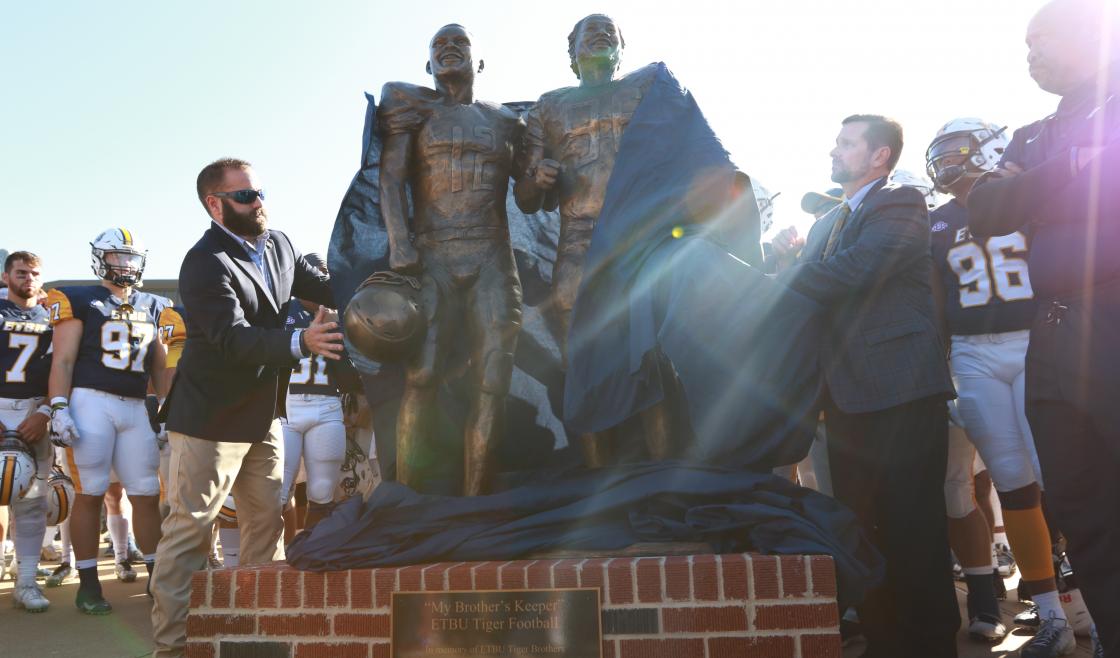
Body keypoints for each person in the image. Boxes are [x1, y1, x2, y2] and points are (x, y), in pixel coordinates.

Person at [773, 114, 958, 657]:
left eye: (848, 143)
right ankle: (885, 641)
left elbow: (858, 269)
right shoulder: (826, 223)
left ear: (880, 156)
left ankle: (930, 645)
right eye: (837, 141)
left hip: (902, 392)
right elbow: (805, 291)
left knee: (915, 528)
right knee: (862, 530)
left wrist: (770, 279)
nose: (835, 149)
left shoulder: (900, 202)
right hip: (846, 401)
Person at [967, 1, 1120, 653]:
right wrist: (1072, 169)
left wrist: (1034, 190)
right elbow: (986, 210)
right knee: (1083, 508)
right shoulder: (1031, 135)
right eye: (1024, 42)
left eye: (1042, 38)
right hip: (1051, 333)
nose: (1029, 52)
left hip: (1112, 317)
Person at [149, 158, 340, 658]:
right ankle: (171, 648)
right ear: (215, 205)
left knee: (266, 528)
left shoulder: (279, 244)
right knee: (190, 534)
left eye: (260, 193)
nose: (258, 203)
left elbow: (327, 287)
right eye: (244, 197)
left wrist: (379, 285)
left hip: (263, 418)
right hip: (209, 421)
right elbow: (233, 340)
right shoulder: (202, 263)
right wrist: (303, 340)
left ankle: (259, 638)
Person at [928, 117, 1079, 655]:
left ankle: (1092, 603)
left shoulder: (1029, 201)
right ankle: (1052, 615)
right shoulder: (938, 222)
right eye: (941, 152)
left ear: (989, 149)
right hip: (973, 354)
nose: (948, 161)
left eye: (958, 149)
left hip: (1033, 341)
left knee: (1060, 477)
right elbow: (936, 299)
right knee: (1012, 483)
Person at [513, 14, 671, 467]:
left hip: (640, 235)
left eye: (610, 31)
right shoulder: (549, 106)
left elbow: (683, 153)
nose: (600, 34)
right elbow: (525, 198)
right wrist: (538, 178)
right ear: (572, 51)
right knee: (578, 355)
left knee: (651, 350)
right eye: (589, 31)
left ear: (623, 48)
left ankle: (663, 476)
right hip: (580, 236)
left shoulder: (648, 88)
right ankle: (598, 478)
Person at [379, 24, 523, 495]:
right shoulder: (411, 110)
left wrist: (541, 177)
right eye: (438, 46)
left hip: (491, 256)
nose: (448, 49)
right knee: (420, 374)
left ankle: (476, 498)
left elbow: (533, 196)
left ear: (479, 61)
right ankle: (407, 496)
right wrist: (400, 241)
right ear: (427, 66)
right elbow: (391, 179)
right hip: (433, 255)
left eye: (459, 43)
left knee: (492, 380)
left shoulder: (505, 121)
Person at [45, 229, 171, 614]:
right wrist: (59, 406)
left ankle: (157, 576)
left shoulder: (155, 304)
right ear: (101, 258)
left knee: (147, 494)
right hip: (90, 401)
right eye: (118, 257)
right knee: (92, 492)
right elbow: (63, 359)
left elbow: (161, 365)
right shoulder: (79, 298)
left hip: (135, 405)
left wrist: (168, 409)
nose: (126, 265)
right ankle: (88, 582)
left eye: (132, 258)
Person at [280, 253, 361, 528]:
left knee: (323, 491)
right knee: (277, 490)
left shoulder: (341, 315)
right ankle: (272, 559)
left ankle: (313, 552)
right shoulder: (281, 311)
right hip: (286, 409)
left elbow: (352, 378)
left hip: (327, 405)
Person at [0, 251, 53, 612]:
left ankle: (27, 581)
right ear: (6, 277)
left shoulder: (54, 316)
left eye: (34, 273)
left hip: (36, 411)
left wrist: (47, 411)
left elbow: (65, 368)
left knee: (33, 502)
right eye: (21, 273)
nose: (28, 279)